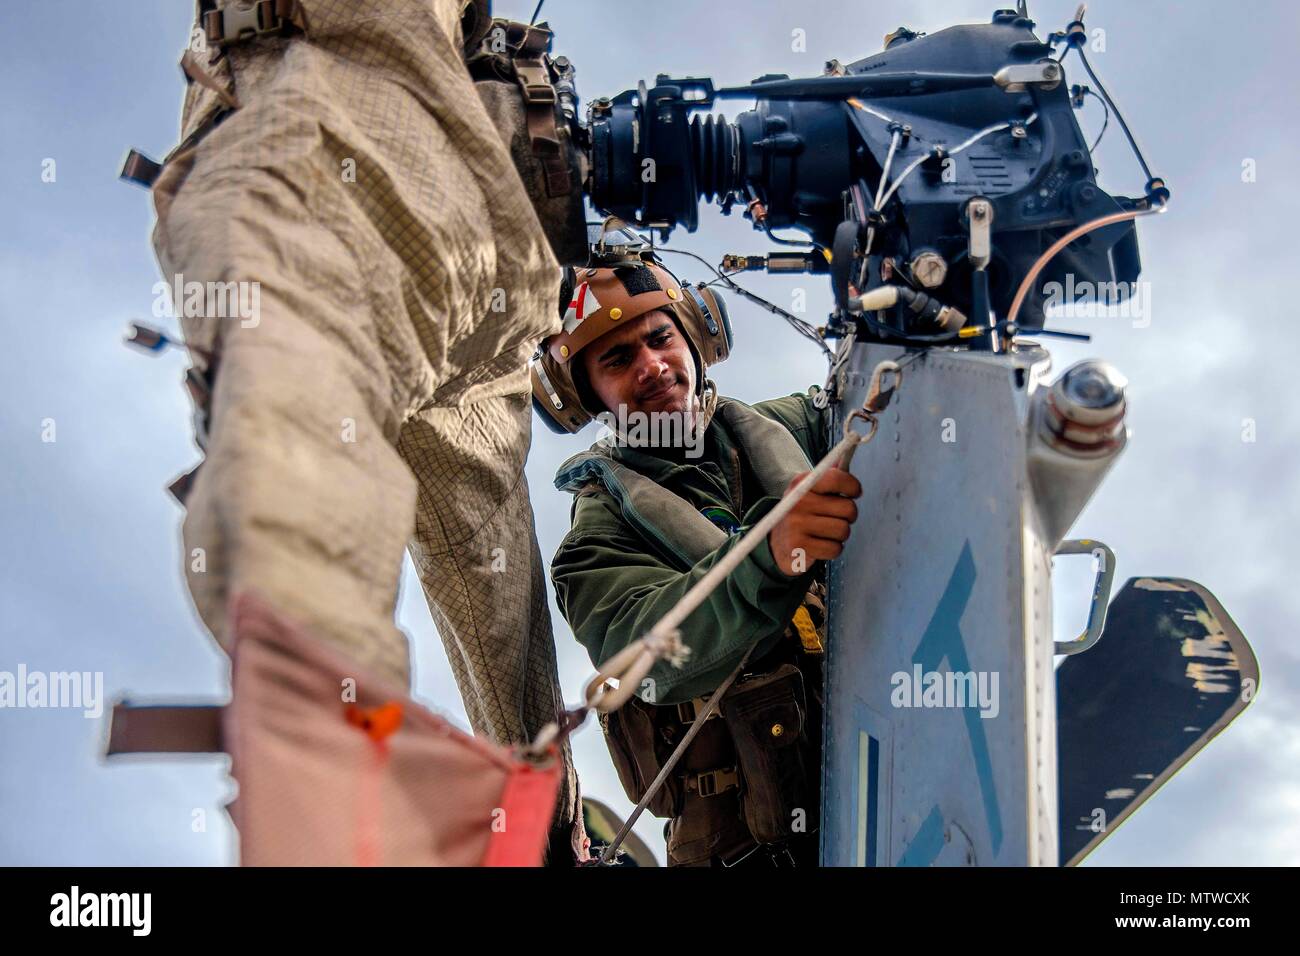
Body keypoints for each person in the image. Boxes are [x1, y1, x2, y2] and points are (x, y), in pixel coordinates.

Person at [143, 0, 588, 860]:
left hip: (473, 231)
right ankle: (334, 780)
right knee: (301, 425)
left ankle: (536, 824)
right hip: (335, 132)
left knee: (495, 600)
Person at [534, 252, 864, 866]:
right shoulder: (593, 545)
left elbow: (894, 417)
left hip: (887, 793)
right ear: (585, 395)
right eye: (618, 359)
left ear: (697, 336)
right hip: (749, 856)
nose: (653, 367)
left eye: (660, 338)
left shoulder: (801, 427)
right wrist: (767, 557)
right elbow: (652, 655)